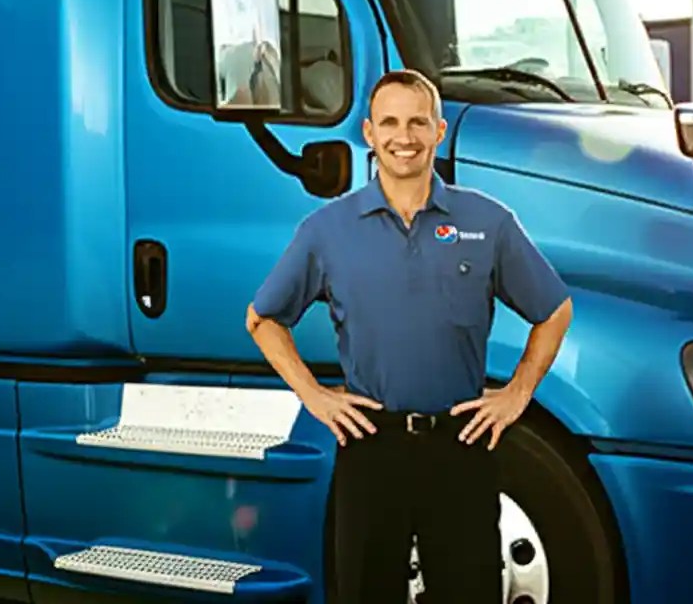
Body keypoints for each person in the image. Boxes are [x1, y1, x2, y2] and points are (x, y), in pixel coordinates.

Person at [245, 68, 573, 603]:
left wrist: (516, 395)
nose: (405, 136)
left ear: (439, 131)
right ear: (370, 134)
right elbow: (263, 318)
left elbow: (554, 309)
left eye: (418, 121)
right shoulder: (327, 230)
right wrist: (316, 397)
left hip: (461, 448)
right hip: (371, 447)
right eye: (390, 123)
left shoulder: (487, 222)